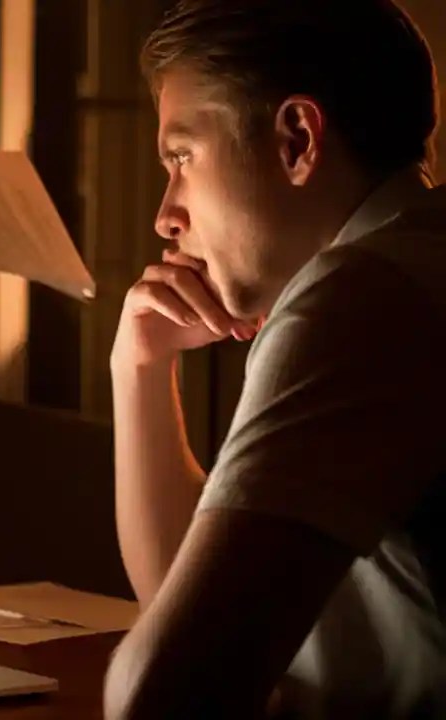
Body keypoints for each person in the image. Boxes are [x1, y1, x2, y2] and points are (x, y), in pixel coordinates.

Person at [103, 1, 446, 717]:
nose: (166, 214)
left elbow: (160, 692)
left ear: (296, 139)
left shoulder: (360, 298)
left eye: (182, 157)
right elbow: (183, 597)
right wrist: (138, 367)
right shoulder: (415, 263)